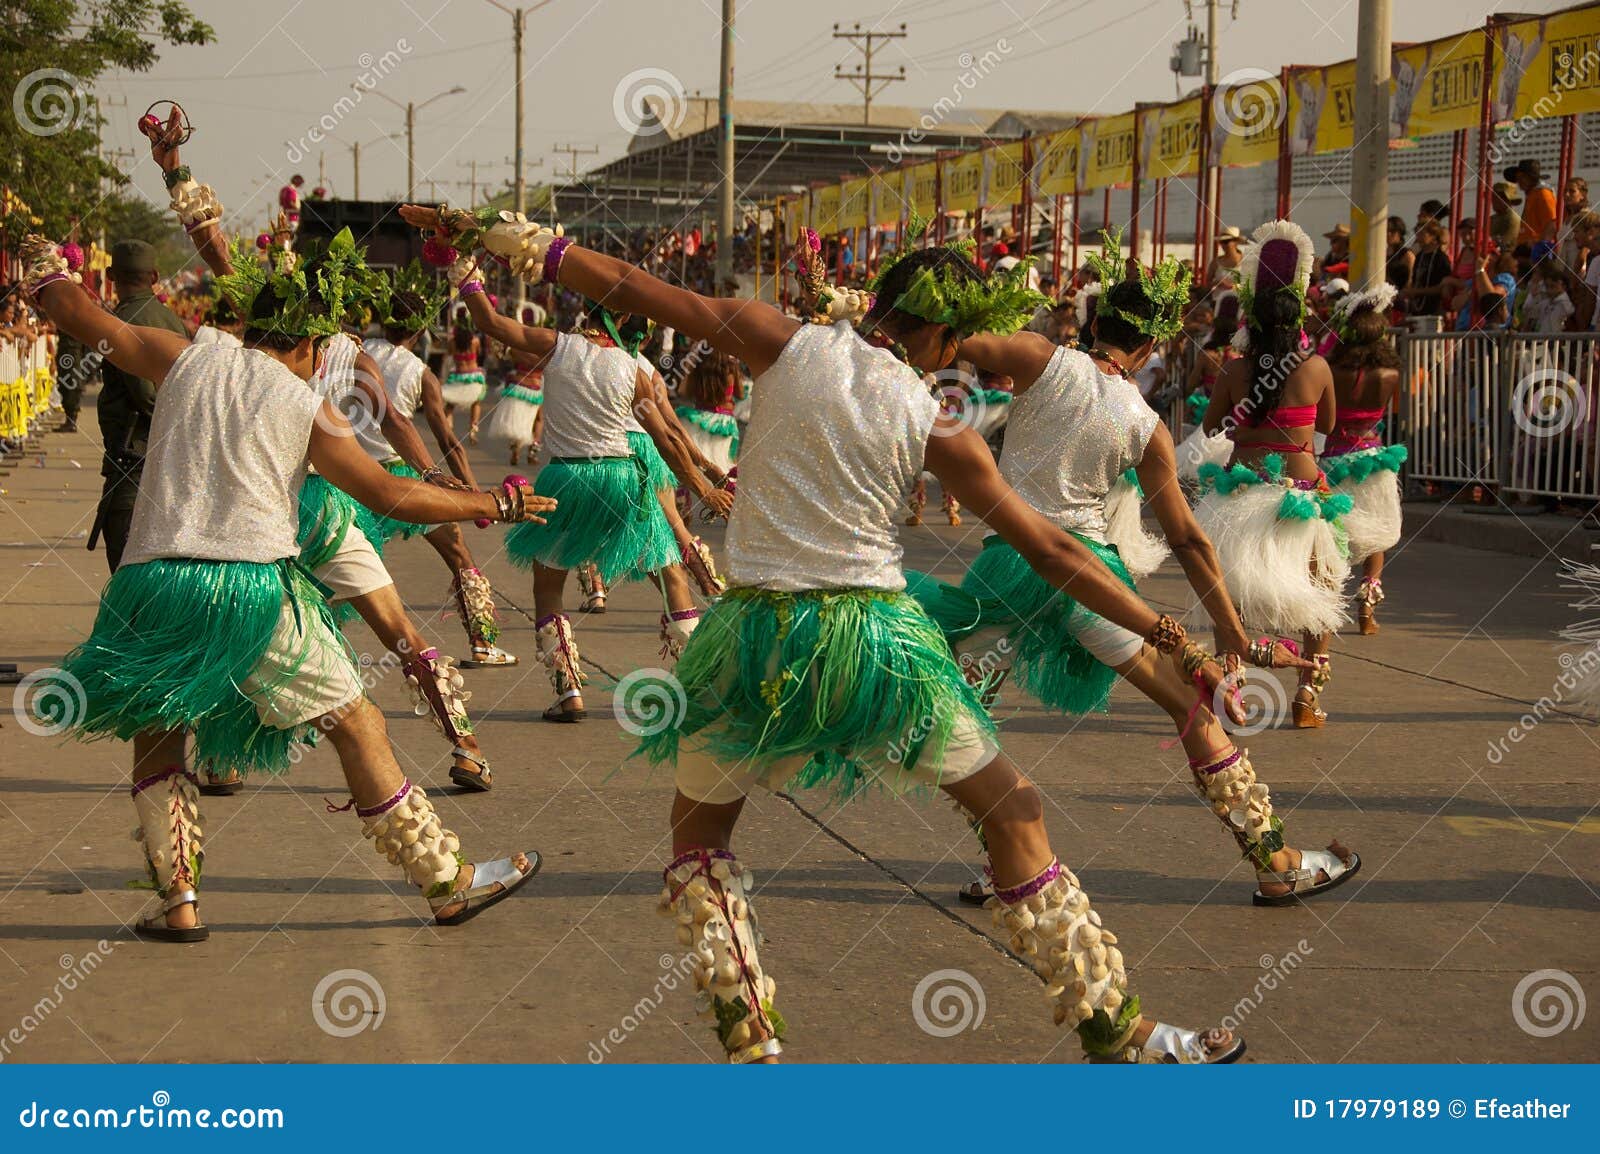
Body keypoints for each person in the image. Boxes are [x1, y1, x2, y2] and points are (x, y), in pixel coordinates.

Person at [402, 202, 1255, 1066]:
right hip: (877, 650)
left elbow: (631, 286)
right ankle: (1117, 1031)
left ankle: (753, 1046)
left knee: (700, 843)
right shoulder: (937, 424)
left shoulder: (779, 339)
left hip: (748, 641)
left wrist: (500, 240)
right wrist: (1177, 640)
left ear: (878, 303)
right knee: (1013, 812)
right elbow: (1059, 549)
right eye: (951, 342)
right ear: (935, 334)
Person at [20, 231, 548, 940]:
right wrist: (493, 504)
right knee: (357, 724)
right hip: (248, 592)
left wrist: (46, 273)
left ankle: (179, 900)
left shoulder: (183, 357)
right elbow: (391, 496)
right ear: (307, 345)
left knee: (159, 730)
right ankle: (444, 881)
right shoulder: (306, 406)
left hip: (150, 585)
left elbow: (82, 315)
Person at [906, 236, 1356, 908]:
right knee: (1190, 707)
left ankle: (1008, 861)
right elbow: (1188, 540)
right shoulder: (1147, 425)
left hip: (1008, 564)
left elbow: (949, 340)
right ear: (1148, 351)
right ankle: (1276, 861)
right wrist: (1234, 637)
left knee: (967, 711)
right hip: (1091, 580)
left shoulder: (1039, 358)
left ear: (1094, 327)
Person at [449, 268, 729, 722]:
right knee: (670, 575)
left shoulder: (560, 345)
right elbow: (667, 439)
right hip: (623, 478)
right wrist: (703, 487)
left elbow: (495, 326)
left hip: (567, 479)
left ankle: (569, 694)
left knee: (548, 588)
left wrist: (468, 277)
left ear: (587, 314)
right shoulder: (631, 368)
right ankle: (702, 687)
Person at [1198, 220, 1350, 729]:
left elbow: (1211, 424)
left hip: (1242, 489)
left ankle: (1231, 690)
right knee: (1322, 588)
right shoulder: (1317, 368)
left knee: (1232, 596)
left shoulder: (1235, 368)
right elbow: (1327, 426)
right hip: (1303, 489)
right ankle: (1307, 694)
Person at [92, 239, 189, 573]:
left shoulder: (118, 325)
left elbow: (145, 394)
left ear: (110, 275)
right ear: (155, 276)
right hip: (173, 465)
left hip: (135, 464)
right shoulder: (172, 320)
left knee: (127, 586)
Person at [1324, 286, 1407, 635]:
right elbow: (1395, 412)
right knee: (1378, 537)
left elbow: (1323, 422)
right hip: (1375, 457)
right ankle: (1368, 605)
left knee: (1333, 535)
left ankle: (1327, 603)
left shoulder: (1331, 371)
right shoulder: (1391, 375)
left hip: (1335, 458)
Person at [481, 304, 546, 465]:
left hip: (517, 384)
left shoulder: (517, 347)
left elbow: (505, 358)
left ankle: (515, 451)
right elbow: (544, 366)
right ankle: (532, 452)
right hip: (534, 387)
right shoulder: (540, 348)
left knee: (518, 419)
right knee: (538, 419)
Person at [441, 306, 488, 443]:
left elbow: (449, 355)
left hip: (458, 375)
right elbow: (479, 355)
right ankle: (473, 428)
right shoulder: (475, 341)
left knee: (450, 405)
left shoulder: (452, 342)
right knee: (476, 403)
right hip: (474, 376)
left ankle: (448, 428)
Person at [1510, 159, 1558, 246]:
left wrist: (1540, 249)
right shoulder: (1532, 194)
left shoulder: (1543, 194)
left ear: (1531, 178)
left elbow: (1552, 224)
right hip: (1526, 247)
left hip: (1534, 249)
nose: (1519, 181)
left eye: (1523, 177)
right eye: (1518, 178)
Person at [1489, 181, 1524, 253]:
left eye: (1497, 197)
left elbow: (1505, 243)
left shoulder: (1513, 218)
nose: (1493, 201)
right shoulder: (1492, 218)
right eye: (1493, 197)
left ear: (1508, 200)